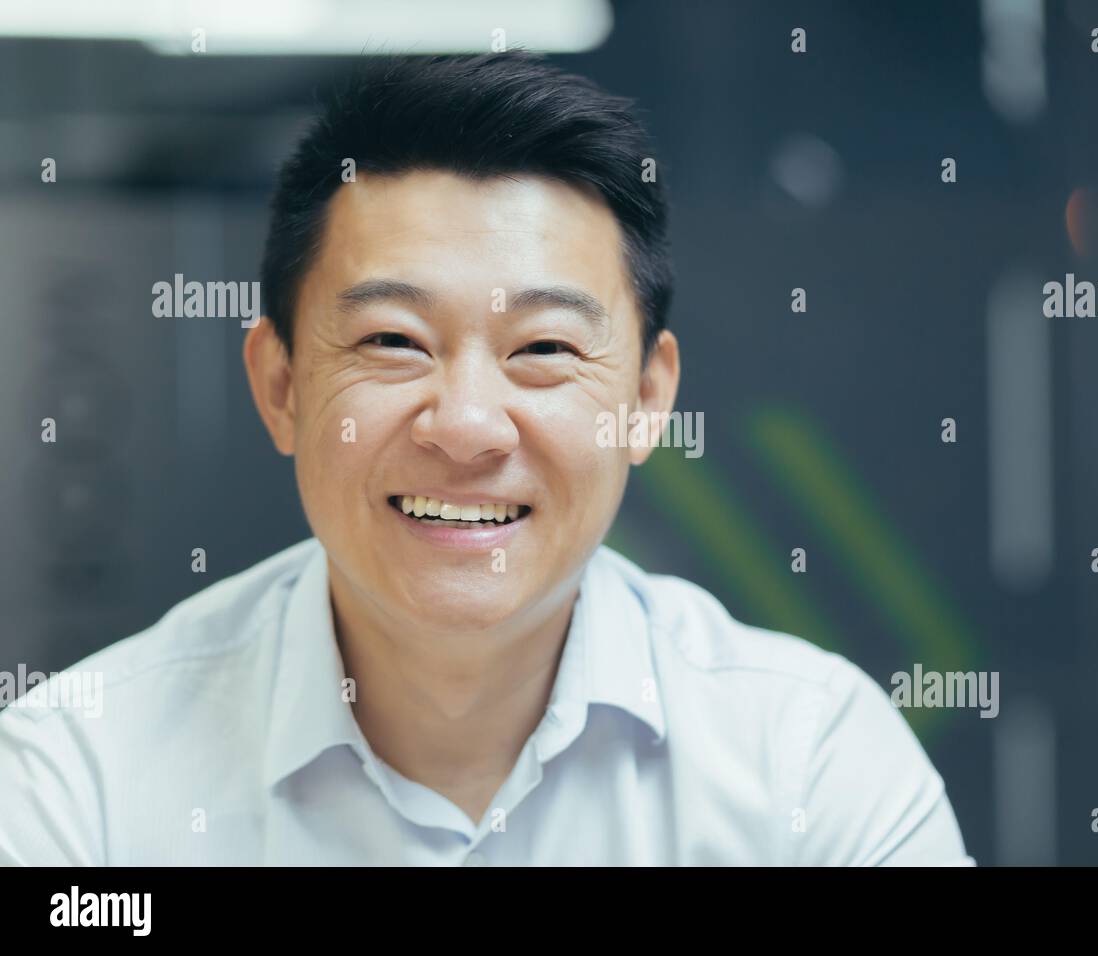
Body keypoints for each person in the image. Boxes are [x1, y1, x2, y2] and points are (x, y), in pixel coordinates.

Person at [0, 52, 973, 866]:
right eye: (393, 340)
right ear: (282, 385)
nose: (466, 426)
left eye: (543, 349)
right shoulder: (81, 789)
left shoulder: (809, 762)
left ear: (645, 399)